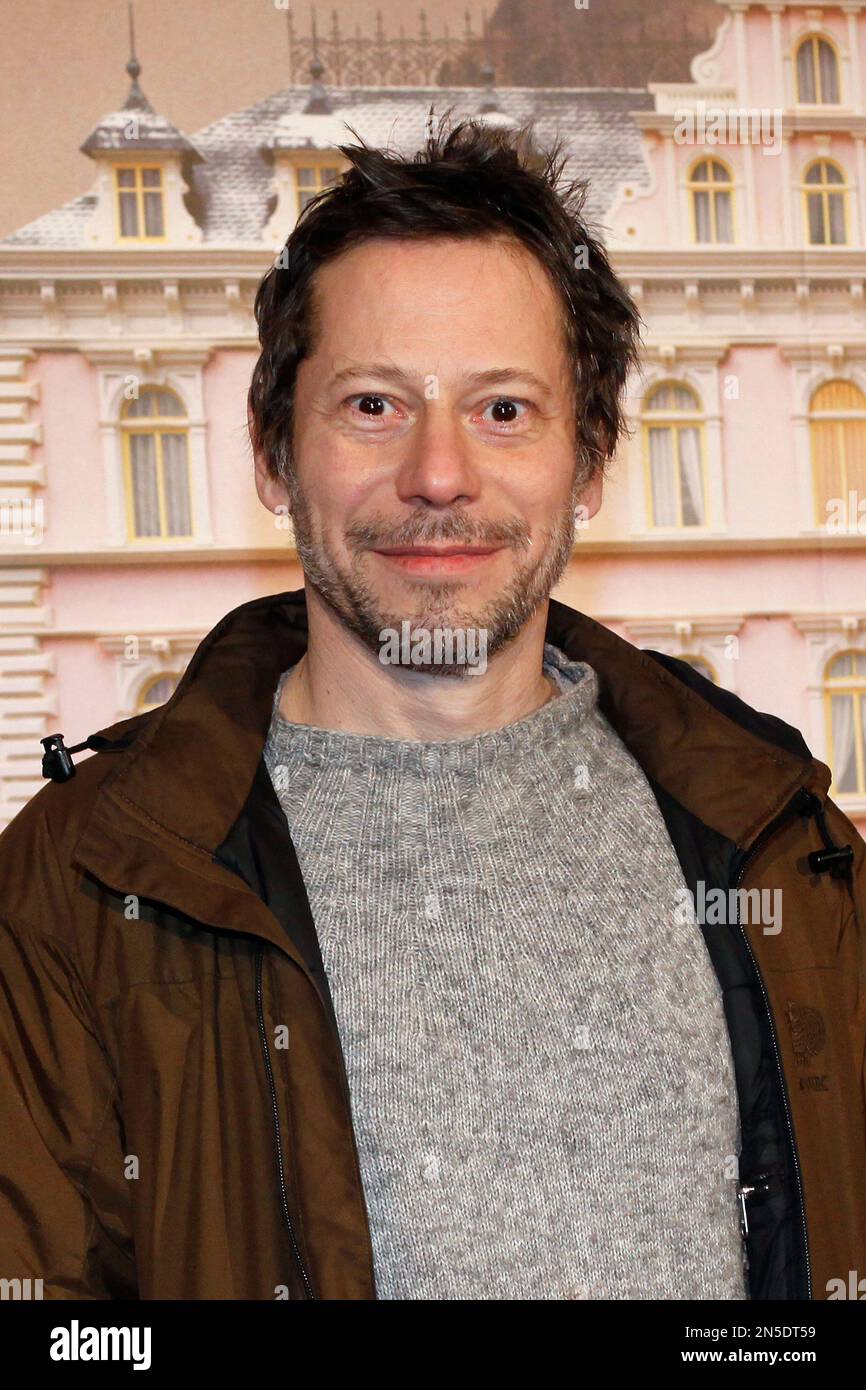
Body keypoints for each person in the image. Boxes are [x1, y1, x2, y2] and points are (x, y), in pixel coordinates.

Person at [0, 117, 863, 1302]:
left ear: (591, 459)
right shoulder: (75, 886)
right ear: (272, 454)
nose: (439, 474)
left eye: (503, 409)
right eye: (371, 405)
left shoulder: (788, 852)